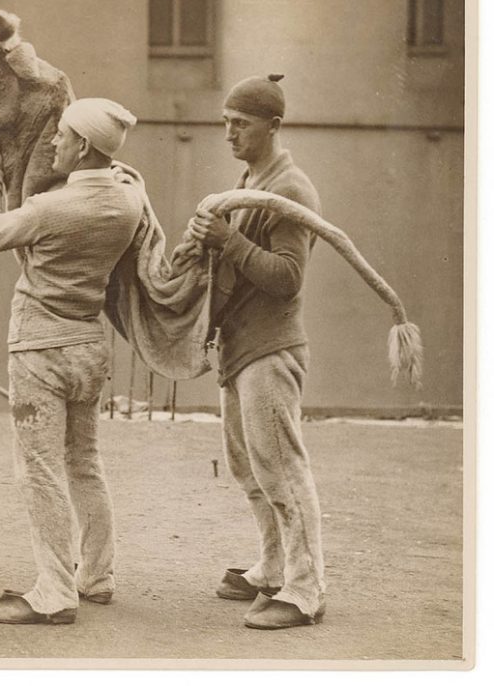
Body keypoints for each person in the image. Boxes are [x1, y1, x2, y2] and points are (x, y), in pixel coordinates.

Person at [0, 98, 143, 625]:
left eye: (63, 136)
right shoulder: (128, 201)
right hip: (89, 347)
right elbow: (125, 179)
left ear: (84, 146)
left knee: (39, 470)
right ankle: (97, 576)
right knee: (84, 462)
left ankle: (54, 591)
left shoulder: (52, 208)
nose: (53, 143)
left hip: (39, 349)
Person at [186, 74, 326, 629]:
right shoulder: (251, 179)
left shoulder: (290, 188)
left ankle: (307, 589)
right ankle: (272, 567)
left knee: (282, 471)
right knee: (251, 469)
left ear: (274, 125)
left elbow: (288, 278)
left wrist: (228, 240)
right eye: (226, 122)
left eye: (240, 123)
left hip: (271, 349)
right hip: (240, 350)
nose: (229, 133)